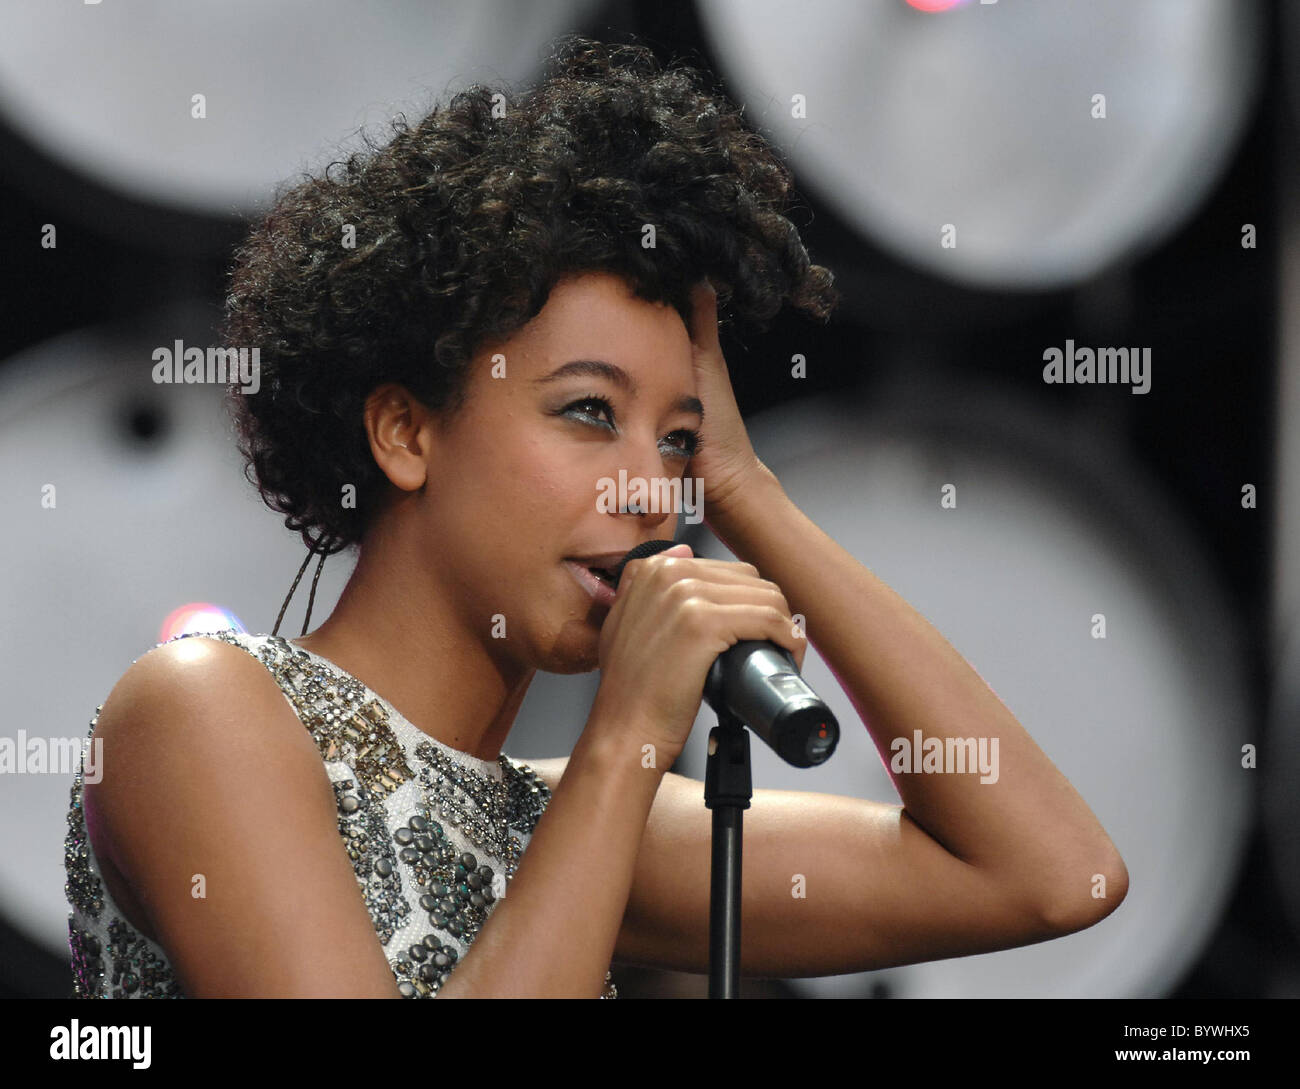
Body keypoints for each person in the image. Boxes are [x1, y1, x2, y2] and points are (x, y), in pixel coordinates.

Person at [64, 35, 1127, 999]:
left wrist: (748, 492)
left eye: (675, 440)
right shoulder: (202, 708)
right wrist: (626, 745)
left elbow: (1049, 876)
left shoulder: (561, 821)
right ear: (406, 432)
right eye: (586, 411)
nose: (648, 492)